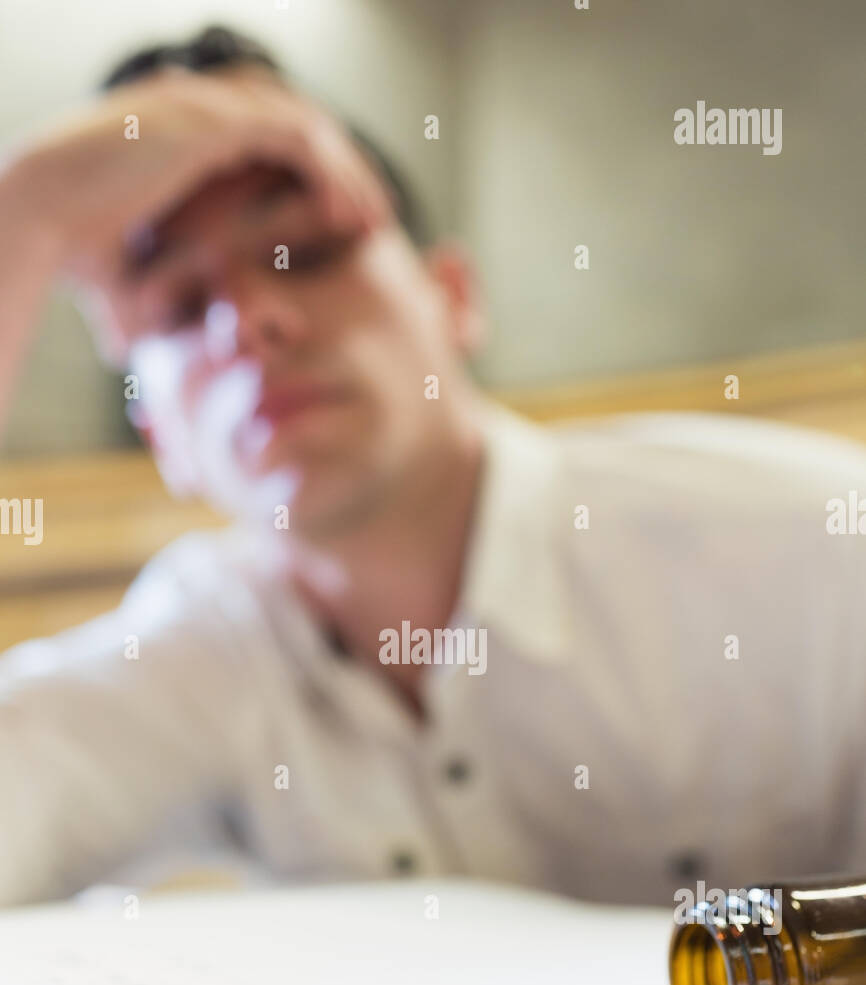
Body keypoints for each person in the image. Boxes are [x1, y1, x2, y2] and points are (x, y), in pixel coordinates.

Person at [2, 25, 866, 910]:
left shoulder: (817, 554)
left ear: (454, 298)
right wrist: (25, 207)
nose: (248, 321)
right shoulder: (188, 657)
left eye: (308, 250)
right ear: (160, 437)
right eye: (182, 305)